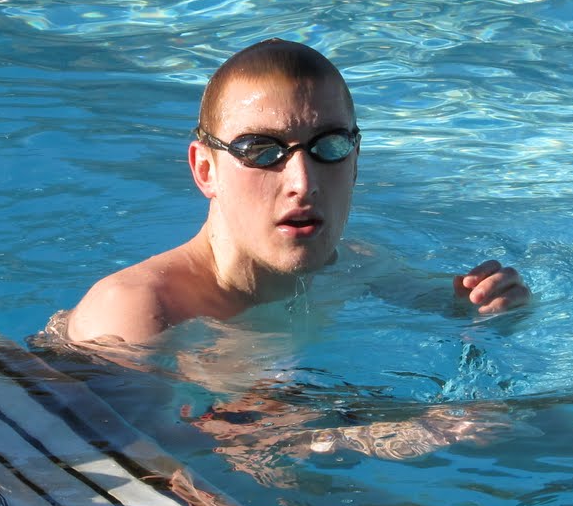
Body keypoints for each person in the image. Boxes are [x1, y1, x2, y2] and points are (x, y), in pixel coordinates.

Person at [59, 38, 530, 347]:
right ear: (206, 169)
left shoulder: (353, 265)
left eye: (330, 146)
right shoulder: (135, 313)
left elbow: (455, 307)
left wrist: (490, 303)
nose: (303, 182)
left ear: (356, 159)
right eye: (261, 150)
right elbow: (144, 461)